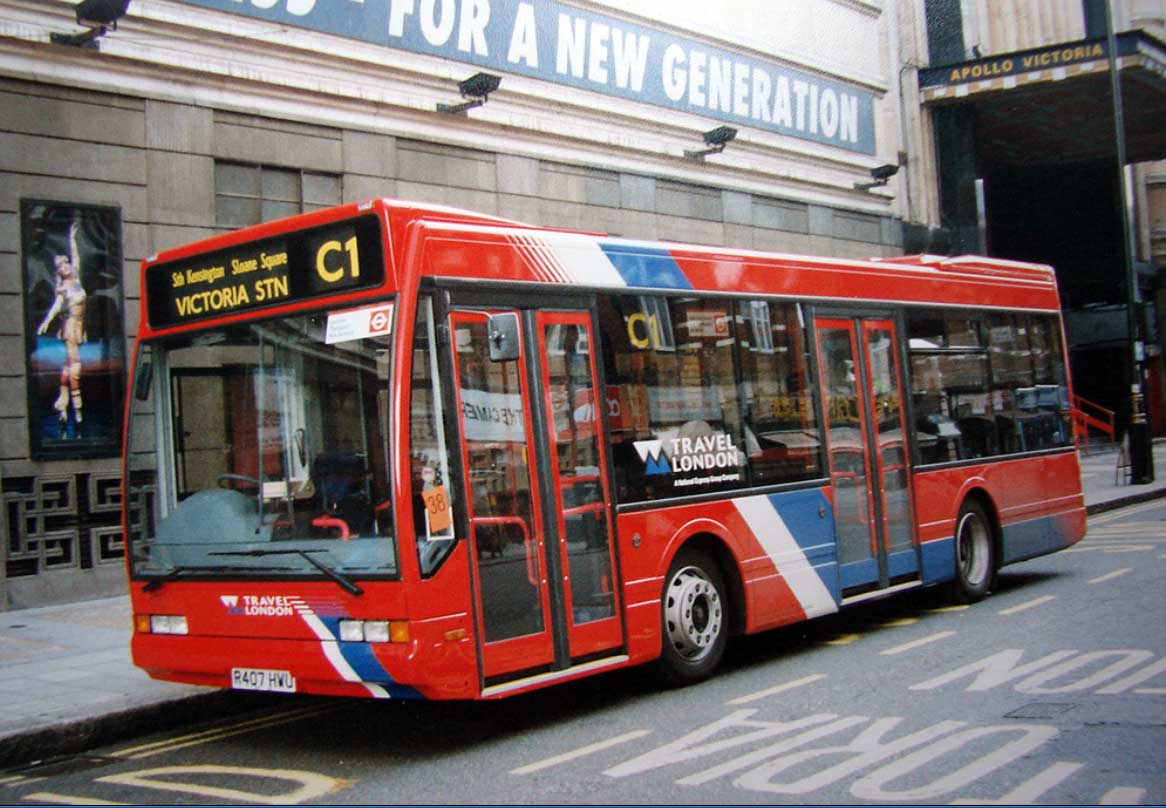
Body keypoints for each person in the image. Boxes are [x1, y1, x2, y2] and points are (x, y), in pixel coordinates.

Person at [37, 221, 87, 439]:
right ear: (59, 271)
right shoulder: (63, 289)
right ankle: (78, 411)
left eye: (66, 263)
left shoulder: (77, 279)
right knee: (75, 367)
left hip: (79, 325)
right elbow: (55, 309)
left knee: (68, 368)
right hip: (70, 327)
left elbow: (77, 257)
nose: (66, 266)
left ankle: (63, 404)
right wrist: (46, 323)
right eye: (62, 265)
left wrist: (71, 239)